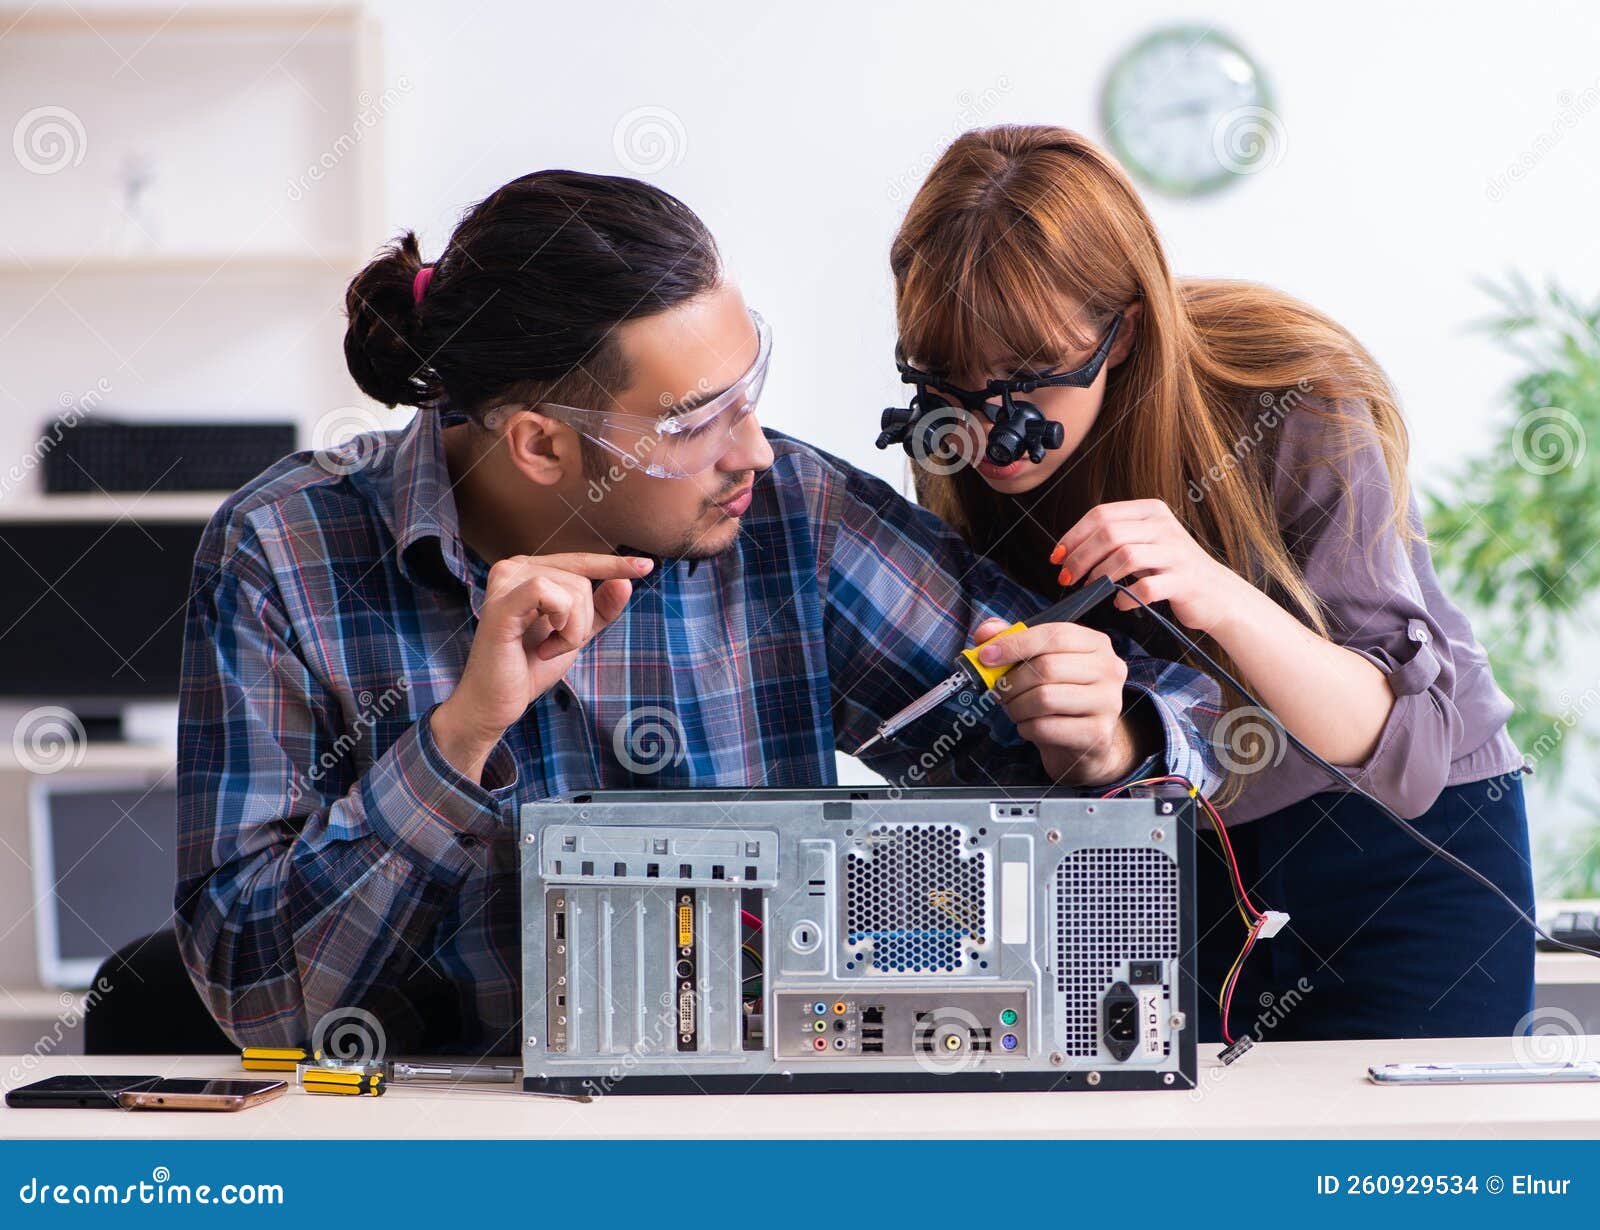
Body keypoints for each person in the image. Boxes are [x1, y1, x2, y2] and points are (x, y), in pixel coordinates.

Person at [175, 169, 1221, 1052]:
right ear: (542, 444)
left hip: (760, 1133)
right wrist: (458, 742)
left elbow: (1156, 741)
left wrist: (1104, 735)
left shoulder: (784, 517)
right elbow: (257, 1000)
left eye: (748, 388)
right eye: (692, 422)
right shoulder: (284, 553)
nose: (751, 450)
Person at [881, 124, 1533, 1041]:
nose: (985, 428)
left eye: (1025, 381)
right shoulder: (954, 442)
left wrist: (1214, 589)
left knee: (1401, 1154)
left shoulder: (1294, 390)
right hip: (1168, 845)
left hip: (1396, 841)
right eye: (946, 378)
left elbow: (1402, 751)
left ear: (1124, 331)